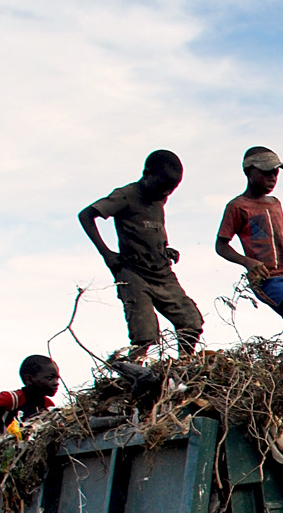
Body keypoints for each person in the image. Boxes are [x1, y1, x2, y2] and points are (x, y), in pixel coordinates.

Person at [78, 149, 204, 357]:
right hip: (133, 273)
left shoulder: (159, 197)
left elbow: (149, 228)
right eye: (163, 187)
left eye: (171, 190)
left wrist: (165, 249)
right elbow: (86, 215)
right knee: (144, 335)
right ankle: (136, 372)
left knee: (191, 322)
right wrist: (106, 253)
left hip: (162, 272)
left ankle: (184, 366)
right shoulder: (126, 195)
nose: (166, 194)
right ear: (147, 174)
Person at [215, 146, 283, 348]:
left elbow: (277, 240)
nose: (273, 177)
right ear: (249, 172)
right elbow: (221, 245)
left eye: (275, 173)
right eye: (266, 172)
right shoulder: (238, 206)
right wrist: (246, 262)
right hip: (267, 276)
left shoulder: (275, 203)